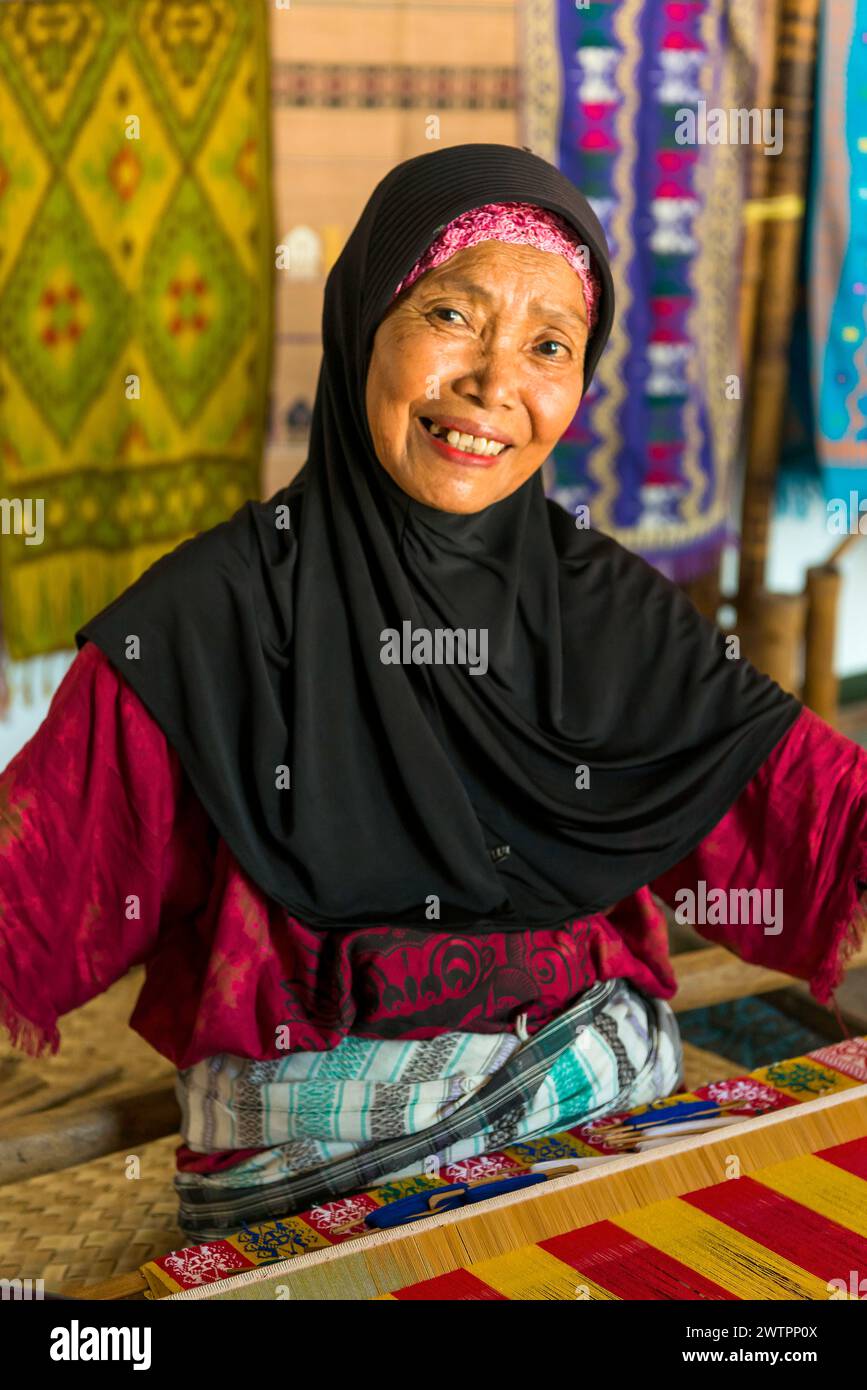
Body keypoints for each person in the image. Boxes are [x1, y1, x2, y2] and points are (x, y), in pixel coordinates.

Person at [1, 144, 865, 1240]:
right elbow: (32, 884)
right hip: (316, 1194)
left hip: (600, 1144)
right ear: (367, 318)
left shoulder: (602, 608)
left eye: (550, 345)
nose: (495, 385)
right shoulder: (208, 621)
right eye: (453, 316)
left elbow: (819, 813)